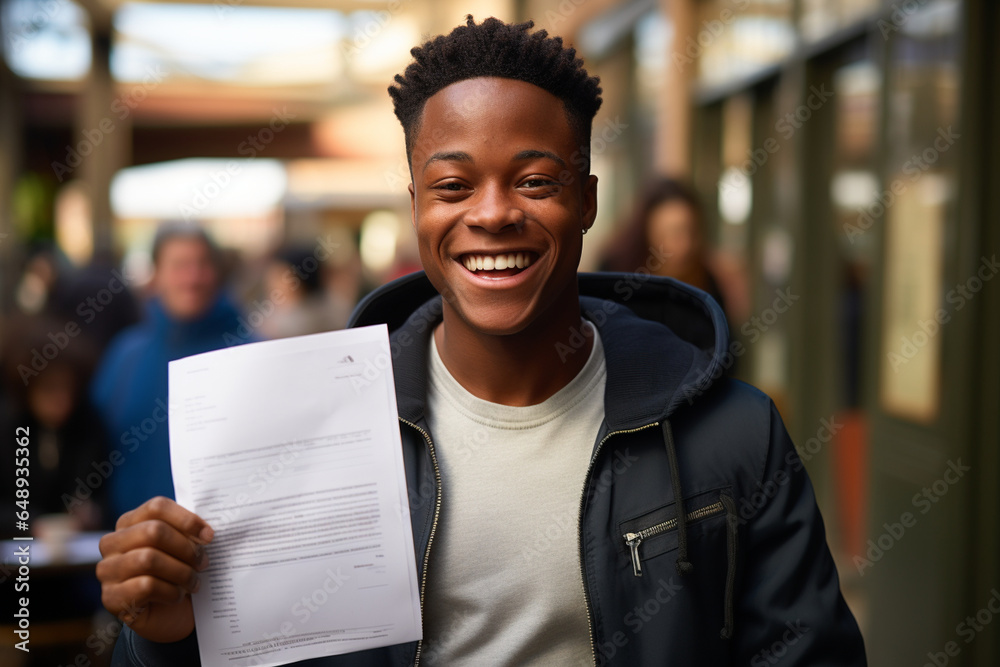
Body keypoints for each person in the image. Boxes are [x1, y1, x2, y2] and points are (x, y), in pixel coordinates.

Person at [97, 17, 867, 666]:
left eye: (535, 180)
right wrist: (170, 637)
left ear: (589, 200)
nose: (492, 213)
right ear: (415, 208)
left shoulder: (731, 434)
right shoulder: (314, 432)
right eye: (453, 185)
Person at [90, 222, 249, 521]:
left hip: (229, 549)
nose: (192, 278)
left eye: (202, 265)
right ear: (156, 275)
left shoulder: (252, 352)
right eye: (179, 266)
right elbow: (90, 443)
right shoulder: (125, 354)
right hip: (133, 549)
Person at [601, 177, 727, 312]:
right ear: (646, 234)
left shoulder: (707, 282)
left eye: (692, 232)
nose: (686, 245)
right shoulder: (614, 274)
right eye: (674, 234)